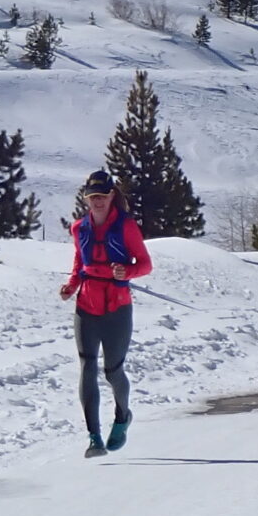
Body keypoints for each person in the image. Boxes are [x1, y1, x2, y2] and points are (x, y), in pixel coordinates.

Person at [59, 169, 153, 456]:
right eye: (93, 197)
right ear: (86, 199)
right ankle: (94, 438)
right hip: (86, 306)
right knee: (87, 366)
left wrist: (128, 271)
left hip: (117, 307)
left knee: (113, 370)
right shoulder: (79, 228)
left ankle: (122, 416)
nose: (97, 201)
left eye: (102, 196)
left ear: (112, 196)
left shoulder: (126, 226)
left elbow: (145, 264)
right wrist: (71, 286)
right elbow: (80, 262)